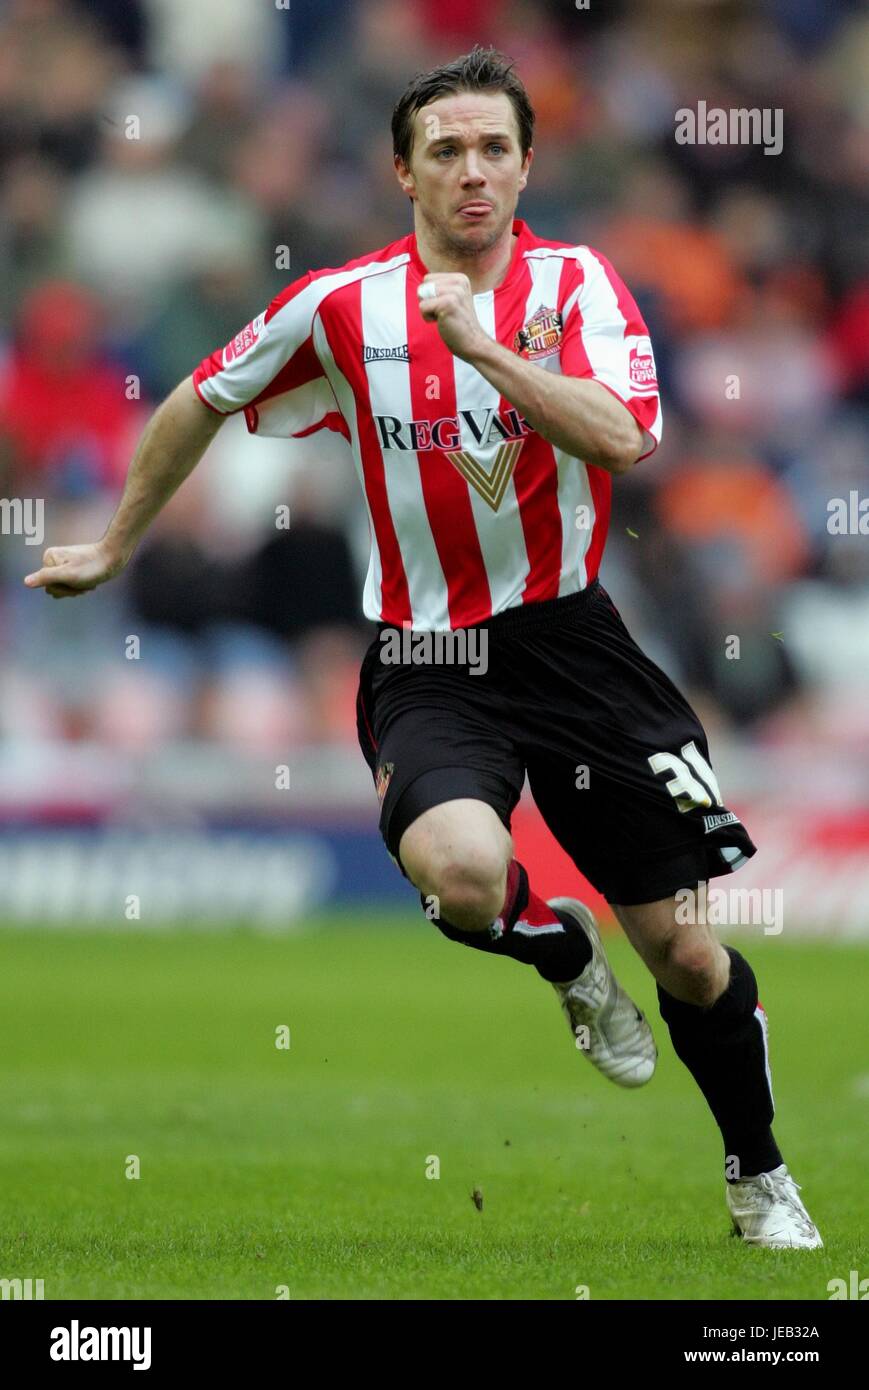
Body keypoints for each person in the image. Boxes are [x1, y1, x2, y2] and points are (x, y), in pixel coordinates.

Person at [24, 46, 821, 1248]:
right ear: (402, 170)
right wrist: (116, 544)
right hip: (426, 653)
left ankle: (757, 1175)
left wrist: (488, 352)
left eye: (493, 148)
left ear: (524, 163)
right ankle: (560, 950)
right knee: (456, 875)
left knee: (691, 955)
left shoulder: (581, 286)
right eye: (444, 150)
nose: (471, 172)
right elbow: (199, 394)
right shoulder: (340, 306)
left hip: (576, 647)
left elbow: (625, 440)